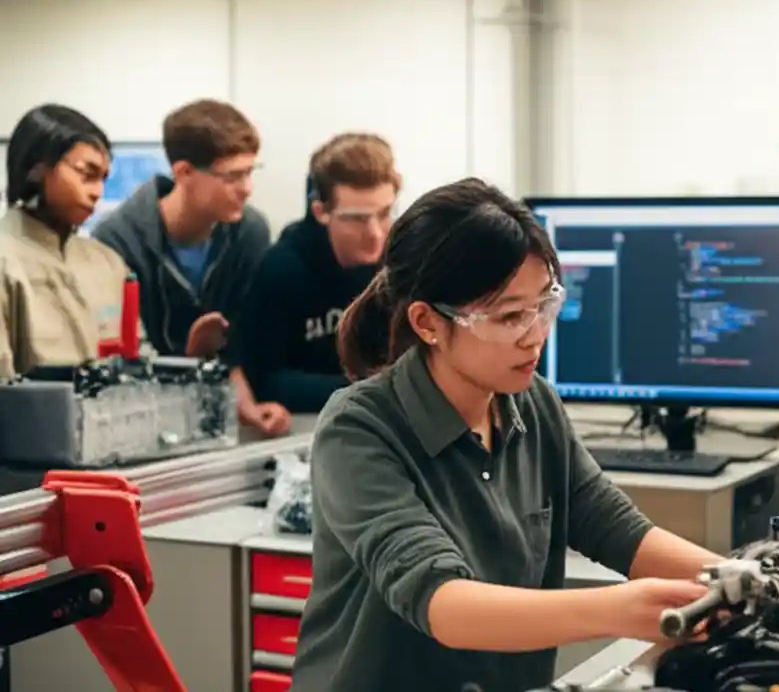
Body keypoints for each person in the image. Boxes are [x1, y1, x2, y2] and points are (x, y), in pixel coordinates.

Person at [291, 178, 722, 692]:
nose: (536, 333)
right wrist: (624, 608)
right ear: (428, 322)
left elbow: (618, 530)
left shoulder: (532, 403)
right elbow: (442, 602)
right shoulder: (360, 429)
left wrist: (739, 579)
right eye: (509, 316)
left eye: (544, 305)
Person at [92, 99, 289, 436]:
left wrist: (250, 408)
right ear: (184, 172)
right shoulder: (116, 240)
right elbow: (123, 361)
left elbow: (238, 345)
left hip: (216, 410)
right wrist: (193, 358)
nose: (247, 188)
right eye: (233, 176)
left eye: (250, 172)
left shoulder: (250, 232)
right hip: (139, 417)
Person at [237, 133, 398, 414]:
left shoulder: (398, 261)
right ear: (321, 211)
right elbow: (263, 380)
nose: (375, 233)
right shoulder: (282, 268)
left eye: (384, 213)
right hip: (304, 429)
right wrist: (372, 389)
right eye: (357, 218)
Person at [0, 105, 131, 380]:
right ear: (37, 168)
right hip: (31, 422)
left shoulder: (108, 263)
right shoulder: (6, 260)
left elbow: (136, 366)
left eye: (103, 179)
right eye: (87, 174)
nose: (97, 192)